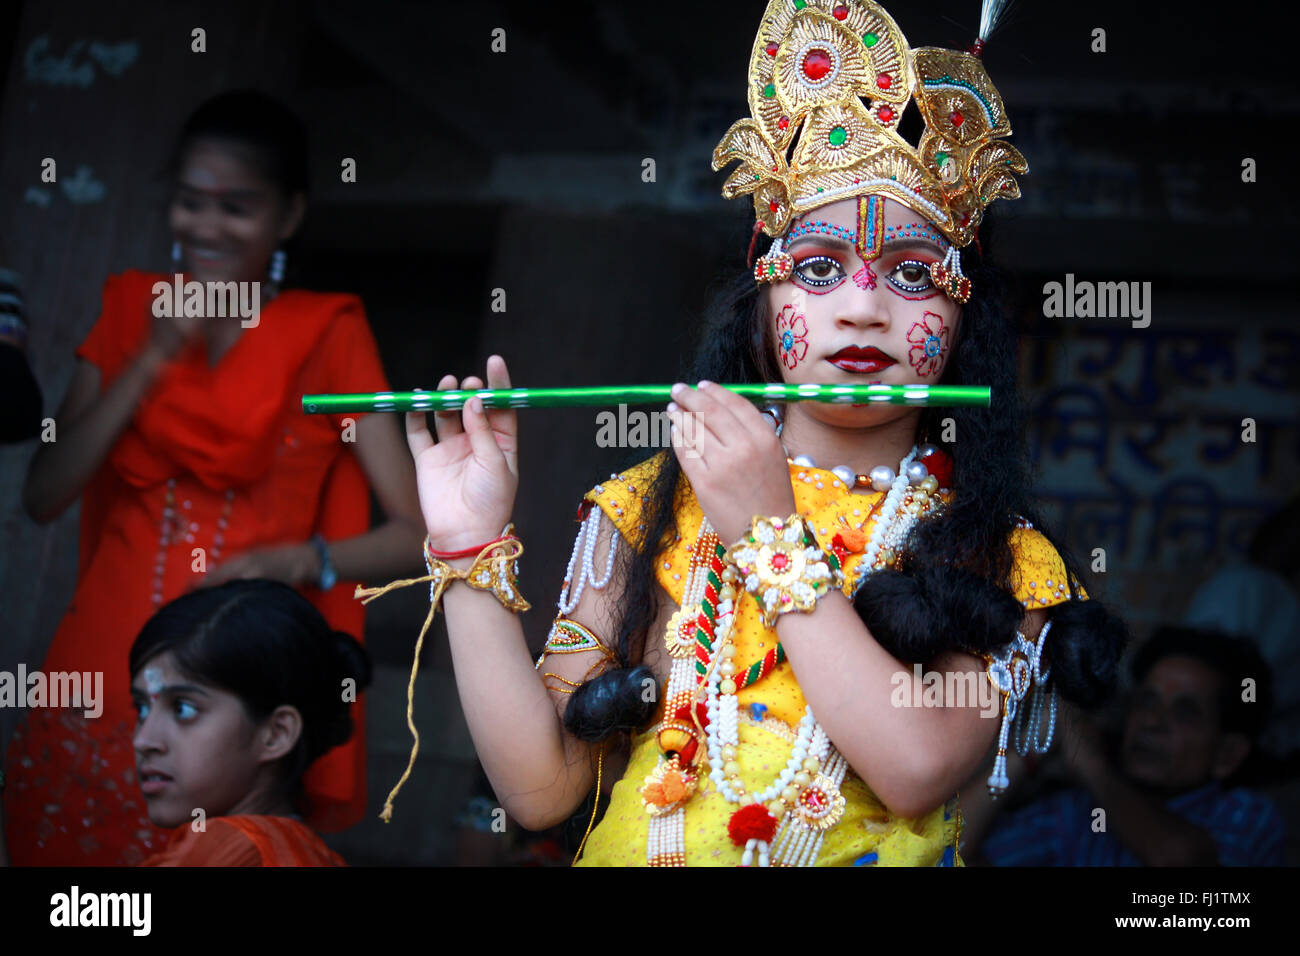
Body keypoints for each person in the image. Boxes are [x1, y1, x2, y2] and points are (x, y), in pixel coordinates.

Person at [388, 0, 1129, 866]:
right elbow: (542, 789)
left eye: (913, 274)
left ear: (966, 319)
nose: (862, 307)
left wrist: (767, 533)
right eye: (817, 268)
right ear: (764, 299)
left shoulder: (997, 552)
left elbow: (917, 764)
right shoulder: (647, 505)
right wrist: (470, 549)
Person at [3, 90, 425, 865]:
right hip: (96, 672)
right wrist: (152, 356)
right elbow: (43, 492)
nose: (206, 227)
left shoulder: (327, 331)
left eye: (236, 207)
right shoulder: (131, 306)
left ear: (288, 217)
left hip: (237, 684)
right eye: (191, 203)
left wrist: (301, 561)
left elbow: (416, 536)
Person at [967, 627, 1286, 866]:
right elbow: (950, 855)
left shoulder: (1248, 814)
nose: (1151, 722)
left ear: (1227, 754)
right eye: (1146, 701)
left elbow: (1181, 863)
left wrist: (1089, 761)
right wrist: (1028, 754)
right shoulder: (1079, 811)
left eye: (1184, 712)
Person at [130, 579, 366, 867]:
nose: (143, 740)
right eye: (142, 709)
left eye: (183, 709)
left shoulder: (229, 852)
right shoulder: (306, 853)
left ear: (276, 734)